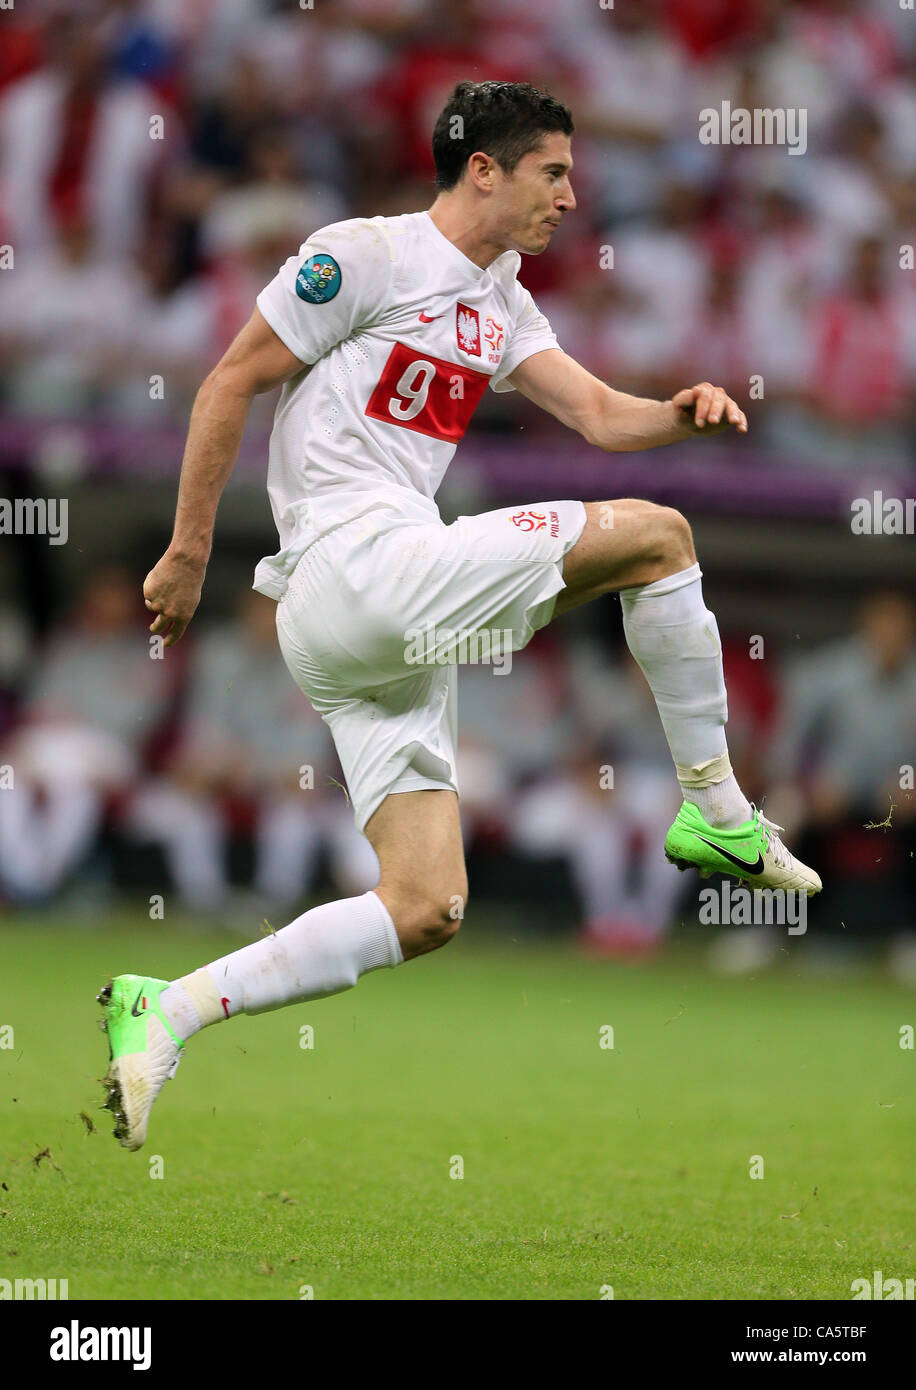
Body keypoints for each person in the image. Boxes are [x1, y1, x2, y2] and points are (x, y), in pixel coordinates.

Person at [98, 80, 820, 1150]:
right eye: (553, 173)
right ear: (484, 168)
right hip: (354, 568)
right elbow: (227, 382)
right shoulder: (363, 254)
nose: (572, 198)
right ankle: (715, 807)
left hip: (376, 624)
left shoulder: (504, 297)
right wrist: (189, 549)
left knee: (426, 903)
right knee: (660, 540)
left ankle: (167, 1008)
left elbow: (594, 416)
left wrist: (676, 412)